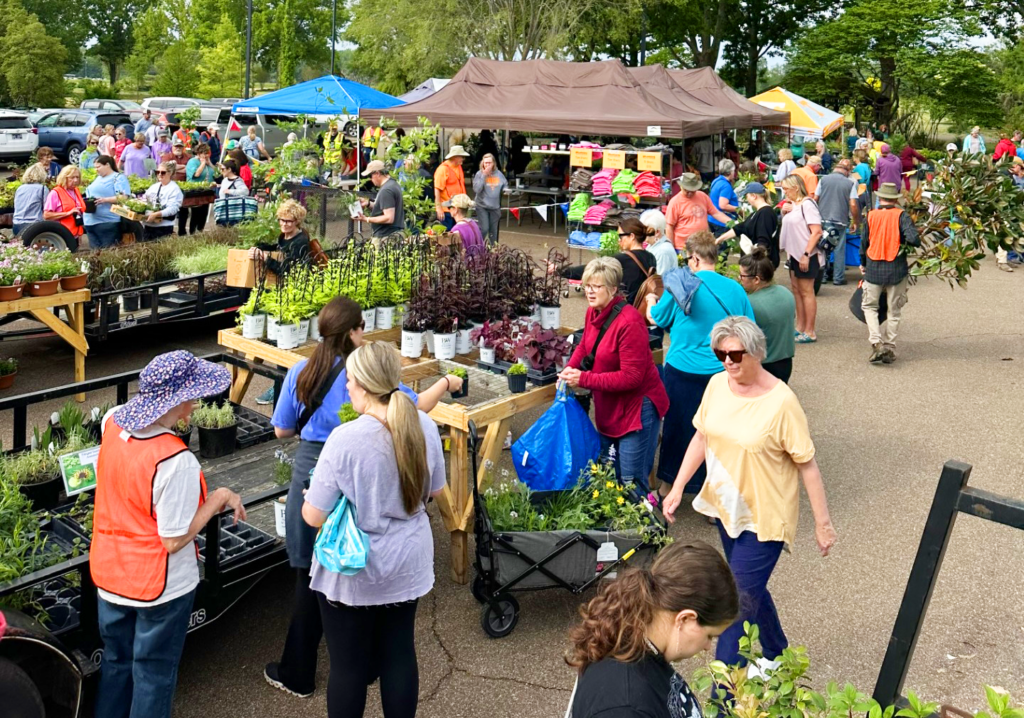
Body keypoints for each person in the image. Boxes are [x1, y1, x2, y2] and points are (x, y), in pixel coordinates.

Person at [265, 298, 459, 700]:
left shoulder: (302, 371)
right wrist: (446, 384)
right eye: (361, 327)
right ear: (353, 331)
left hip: (315, 468)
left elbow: (282, 430)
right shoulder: (407, 415)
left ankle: (298, 670)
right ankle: (371, 663)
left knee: (310, 578)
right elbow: (420, 427)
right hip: (393, 518)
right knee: (398, 649)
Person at [662, 316, 836, 669]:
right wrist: (677, 487)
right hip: (727, 510)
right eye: (720, 354)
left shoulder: (782, 403)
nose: (727, 361)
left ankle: (725, 693)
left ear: (757, 352)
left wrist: (823, 524)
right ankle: (777, 653)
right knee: (748, 587)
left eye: (736, 354)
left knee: (735, 607)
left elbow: (807, 465)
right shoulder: (717, 384)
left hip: (765, 518)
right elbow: (702, 436)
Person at [90, 353, 245, 718]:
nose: (194, 404)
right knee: (153, 675)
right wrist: (219, 498)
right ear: (176, 400)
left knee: (116, 662)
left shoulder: (113, 421)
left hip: (110, 572)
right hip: (158, 586)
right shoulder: (175, 461)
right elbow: (173, 539)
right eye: (191, 396)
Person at [301, 342, 445, 718]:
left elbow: (313, 516)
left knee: (348, 667)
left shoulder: (345, 438)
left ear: (364, 386)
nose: (346, 386)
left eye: (349, 379)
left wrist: (311, 495)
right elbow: (435, 491)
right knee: (400, 654)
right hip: (408, 560)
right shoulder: (425, 425)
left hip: (356, 566)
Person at [566, 541, 739, 718]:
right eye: (710, 636)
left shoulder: (638, 640)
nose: (708, 647)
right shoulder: (624, 708)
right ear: (685, 618)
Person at [647, 230, 753, 500]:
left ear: (694, 258)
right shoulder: (735, 289)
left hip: (682, 369)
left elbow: (657, 318)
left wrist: (650, 300)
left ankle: (668, 486)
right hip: (721, 371)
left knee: (677, 429)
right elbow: (749, 329)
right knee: (717, 433)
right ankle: (713, 495)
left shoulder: (681, 284)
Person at [558, 257, 668, 493]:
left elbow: (632, 377)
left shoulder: (630, 322)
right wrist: (570, 368)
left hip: (636, 409)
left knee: (630, 481)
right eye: (587, 285)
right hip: (610, 404)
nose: (590, 291)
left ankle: (642, 516)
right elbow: (586, 346)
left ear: (613, 289)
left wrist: (583, 379)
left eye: (597, 286)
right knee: (607, 475)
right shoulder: (593, 312)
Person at [860, 182, 921, 364]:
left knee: (870, 306)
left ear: (880, 198)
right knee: (894, 310)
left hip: (874, 267)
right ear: (895, 199)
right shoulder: (902, 216)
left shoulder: (871, 216)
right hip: (896, 268)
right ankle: (890, 346)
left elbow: (864, 244)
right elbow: (914, 239)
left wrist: (863, 264)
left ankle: (876, 342)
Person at [738, 248, 795, 382]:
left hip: (763, 366)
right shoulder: (785, 292)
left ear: (756, 279)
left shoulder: (750, 303)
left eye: (742, 276)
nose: (739, 279)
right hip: (786, 362)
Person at [779, 175, 822, 343]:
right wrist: (784, 212)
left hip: (806, 254)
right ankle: (800, 327)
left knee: (806, 291)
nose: (784, 192)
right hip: (794, 254)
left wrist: (806, 254)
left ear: (795, 188)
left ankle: (810, 331)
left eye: (786, 189)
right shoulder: (794, 205)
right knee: (797, 290)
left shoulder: (807, 204)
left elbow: (816, 231)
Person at [814, 158, 860, 286]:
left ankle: (822, 276)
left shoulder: (823, 180)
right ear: (846, 172)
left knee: (823, 247)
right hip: (840, 220)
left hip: (823, 218)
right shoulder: (850, 183)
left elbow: (815, 198)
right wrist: (856, 221)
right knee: (839, 249)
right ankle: (838, 278)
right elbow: (853, 204)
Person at [715, 182, 779, 267]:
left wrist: (756, 260)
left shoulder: (765, 213)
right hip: (754, 260)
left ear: (754, 196)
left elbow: (763, 240)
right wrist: (719, 239)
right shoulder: (757, 213)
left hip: (758, 262)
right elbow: (740, 228)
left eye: (747, 196)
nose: (746, 199)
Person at [665, 173, 731, 251]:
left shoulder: (703, 196)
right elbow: (669, 226)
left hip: (702, 245)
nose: (690, 193)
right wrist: (670, 247)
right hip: (682, 247)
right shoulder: (675, 202)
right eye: (686, 191)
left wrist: (733, 223)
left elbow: (716, 213)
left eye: (692, 191)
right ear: (681, 187)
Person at [85, 155, 132, 249]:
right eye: (95, 167)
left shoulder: (118, 177)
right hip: (90, 221)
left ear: (107, 165)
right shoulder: (98, 178)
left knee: (107, 251)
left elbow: (123, 197)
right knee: (94, 253)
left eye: (98, 167)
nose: (96, 170)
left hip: (107, 221)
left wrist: (105, 200)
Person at [42, 166, 86, 251]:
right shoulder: (55, 193)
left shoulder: (76, 190)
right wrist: (67, 213)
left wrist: (79, 234)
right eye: (72, 177)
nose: (75, 180)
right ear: (64, 178)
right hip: (62, 235)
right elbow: (46, 215)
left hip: (75, 235)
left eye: (77, 177)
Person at [357, 160, 405, 238]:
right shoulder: (393, 184)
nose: (370, 179)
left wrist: (366, 219)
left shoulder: (386, 190)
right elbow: (385, 207)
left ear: (378, 173)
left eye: (370, 176)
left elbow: (389, 218)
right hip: (393, 234)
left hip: (386, 236)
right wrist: (368, 203)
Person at [141, 161, 184, 241]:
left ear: (170, 173)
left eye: (163, 172)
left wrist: (157, 214)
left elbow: (173, 209)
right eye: (157, 172)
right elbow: (144, 199)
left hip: (163, 227)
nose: (160, 174)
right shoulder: (154, 187)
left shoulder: (174, 189)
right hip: (148, 226)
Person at [472, 153, 507, 245]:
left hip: (495, 207)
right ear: (482, 163)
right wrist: (484, 175)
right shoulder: (479, 174)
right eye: (485, 163)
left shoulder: (499, 174)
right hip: (482, 206)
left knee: (493, 231)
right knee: (484, 229)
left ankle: (493, 250)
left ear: (494, 163)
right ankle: (480, 247)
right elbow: (476, 189)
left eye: (489, 163)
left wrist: (505, 190)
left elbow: (505, 184)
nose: (487, 165)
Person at [181, 143, 216, 235]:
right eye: (204, 153)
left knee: (204, 214)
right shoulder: (192, 161)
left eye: (207, 153)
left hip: (206, 191)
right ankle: (192, 233)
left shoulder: (208, 162)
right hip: (196, 192)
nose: (206, 155)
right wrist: (203, 163)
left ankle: (200, 232)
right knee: (196, 214)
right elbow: (196, 174)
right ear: (199, 153)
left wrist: (210, 163)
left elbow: (216, 173)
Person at [434, 145, 469, 230]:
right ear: (455, 157)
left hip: (457, 209)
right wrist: (438, 208)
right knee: (447, 233)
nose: (463, 159)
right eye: (461, 157)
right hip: (446, 210)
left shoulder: (459, 167)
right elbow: (437, 189)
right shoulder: (442, 169)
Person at [12, 164, 49, 236]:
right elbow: (47, 209)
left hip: (17, 224)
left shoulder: (20, 188)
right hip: (34, 225)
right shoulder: (42, 189)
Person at [640, 209, 677, 277]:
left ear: (657, 232)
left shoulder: (662, 252)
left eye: (647, 232)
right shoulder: (653, 245)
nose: (644, 236)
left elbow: (660, 280)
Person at [708, 159, 739, 239]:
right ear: (730, 172)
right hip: (721, 222)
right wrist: (739, 209)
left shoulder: (716, 180)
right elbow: (723, 205)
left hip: (712, 219)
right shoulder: (726, 186)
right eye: (734, 171)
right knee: (722, 245)